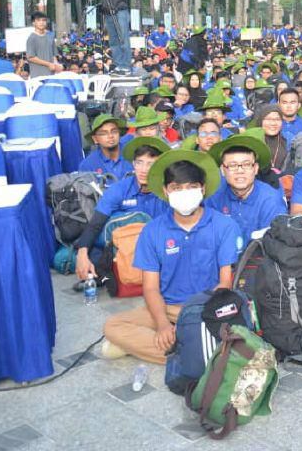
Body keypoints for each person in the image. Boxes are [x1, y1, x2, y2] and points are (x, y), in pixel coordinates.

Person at [100, 150, 240, 364]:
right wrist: (163, 324)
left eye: (192, 187)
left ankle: (178, 351)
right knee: (113, 327)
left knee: (228, 330)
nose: (185, 193)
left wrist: (197, 314)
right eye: (176, 188)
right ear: (165, 191)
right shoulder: (152, 230)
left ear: (202, 189)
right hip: (167, 308)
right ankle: (195, 352)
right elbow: (150, 288)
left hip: (207, 308)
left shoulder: (224, 225)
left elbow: (224, 283)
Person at [74, 138, 172, 281]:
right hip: (124, 247)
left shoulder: (167, 191)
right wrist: (82, 254)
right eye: (139, 163)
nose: (144, 170)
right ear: (133, 164)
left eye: (151, 164)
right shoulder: (119, 189)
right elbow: (96, 224)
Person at [206, 133, 287, 245]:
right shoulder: (214, 195)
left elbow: (275, 245)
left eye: (246, 164)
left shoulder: (271, 200)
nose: (240, 171)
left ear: (256, 168)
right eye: (233, 165)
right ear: (222, 170)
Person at [85, 0, 131, 75]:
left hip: (120, 11)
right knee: (114, 42)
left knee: (123, 40)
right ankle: (118, 66)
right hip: (108, 13)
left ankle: (126, 66)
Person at [79, 114, 132, 180]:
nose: (110, 136)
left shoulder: (133, 154)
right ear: (95, 139)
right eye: (103, 133)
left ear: (119, 134)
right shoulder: (88, 165)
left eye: (114, 131)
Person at [26, 11, 60, 78]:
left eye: (44, 20)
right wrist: (48, 64)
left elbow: (54, 55)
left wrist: (56, 64)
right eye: (38, 20)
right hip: (37, 76)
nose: (41, 22)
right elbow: (30, 57)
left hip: (51, 75)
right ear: (33, 23)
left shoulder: (50, 36)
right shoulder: (32, 38)